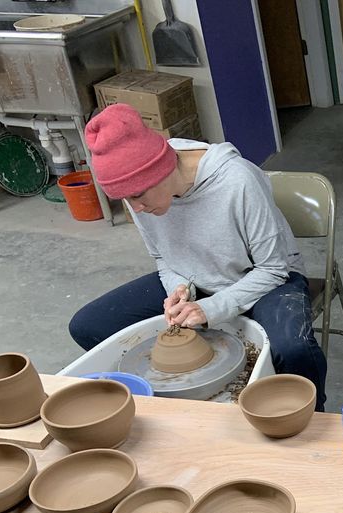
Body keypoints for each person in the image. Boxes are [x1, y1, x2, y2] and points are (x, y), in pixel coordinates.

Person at [68, 103, 327, 409]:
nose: (134, 208)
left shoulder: (236, 181)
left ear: (160, 170)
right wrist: (180, 289)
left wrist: (212, 308)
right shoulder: (137, 193)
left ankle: (313, 416)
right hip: (198, 278)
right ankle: (186, 399)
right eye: (124, 198)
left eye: (137, 195)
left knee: (292, 348)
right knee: (88, 326)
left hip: (267, 279)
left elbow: (273, 269)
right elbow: (163, 259)